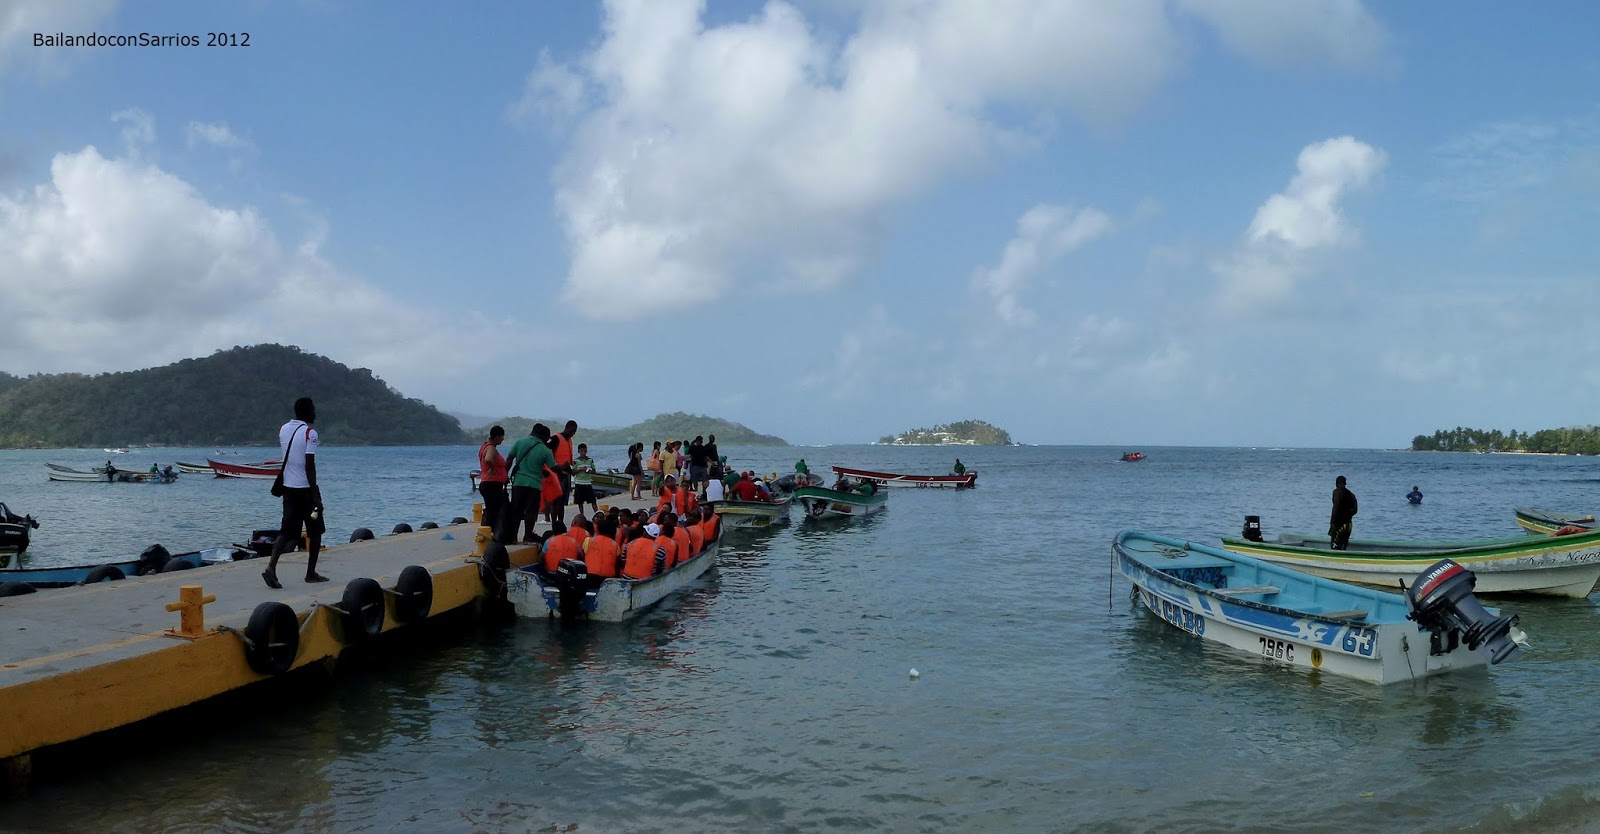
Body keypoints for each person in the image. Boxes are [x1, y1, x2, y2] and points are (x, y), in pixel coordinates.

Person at [262, 397, 325, 588]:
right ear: (306, 412)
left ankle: (271, 567)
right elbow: (309, 465)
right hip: (306, 492)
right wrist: (316, 497)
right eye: (313, 409)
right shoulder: (310, 433)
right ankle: (311, 573)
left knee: (287, 531)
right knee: (315, 531)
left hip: (289, 491)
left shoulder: (284, 429)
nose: (315, 413)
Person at [499, 424, 557, 545]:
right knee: (531, 512)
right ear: (543, 436)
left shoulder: (520, 442)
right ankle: (527, 537)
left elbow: (509, 460)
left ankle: (513, 537)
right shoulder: (545, 450)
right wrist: (566, 469)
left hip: (518, 483)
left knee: (516, 511)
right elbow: (554, 468)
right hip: (534, 485)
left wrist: (505, 477)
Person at [478, 426, 509, 535]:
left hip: (487, 483)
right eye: (501, 437)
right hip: (492, 484)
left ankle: (489, 532)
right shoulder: (491, 447)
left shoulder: (485, 445)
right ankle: (490, 534)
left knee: (491, 510)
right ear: (497, 436)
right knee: (493, 511)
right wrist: (493, 469)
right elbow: (488, 459)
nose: (502, 439)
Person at [549, 420, 578, 522]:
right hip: (557, 473)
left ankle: (560, 522)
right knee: (555, 500)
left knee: (562, 501)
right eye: (572, 431)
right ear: (567, 428)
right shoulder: (555, 438)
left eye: (574, 432)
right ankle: (553, 522)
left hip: (567, 473)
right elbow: (547, 451)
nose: (572, 434)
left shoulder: (569, 440)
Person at [585, 514, 621, 579]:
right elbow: (617, 564)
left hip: (589, 575)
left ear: (597, 529)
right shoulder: (615, 545)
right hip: (608, 577)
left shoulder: (588, 540)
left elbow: (582, 557)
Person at [1329, 475, 1358, 550]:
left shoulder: (1337, 492)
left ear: (1337, 484)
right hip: (1348, 525)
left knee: (1335, 547)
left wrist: (1332, 522)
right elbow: (1355, 510)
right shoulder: (1351, 495)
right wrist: (1347, 515)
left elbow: (1336, 507)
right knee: (1343, 547)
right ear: (1345, 483)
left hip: (1339, 525)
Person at [572, 443, 599, 516]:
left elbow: (594, 471)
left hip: (588, 483)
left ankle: (597, 514)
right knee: (580, 502)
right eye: (582, 451)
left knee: (593, 501)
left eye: (585, 451)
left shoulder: (590, 460)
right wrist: (581, 469)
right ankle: (582, 515)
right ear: (579, 451)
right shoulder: (576, 461)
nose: (583, 453)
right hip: (579, 483)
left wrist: (590, 471)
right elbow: (573, 473)